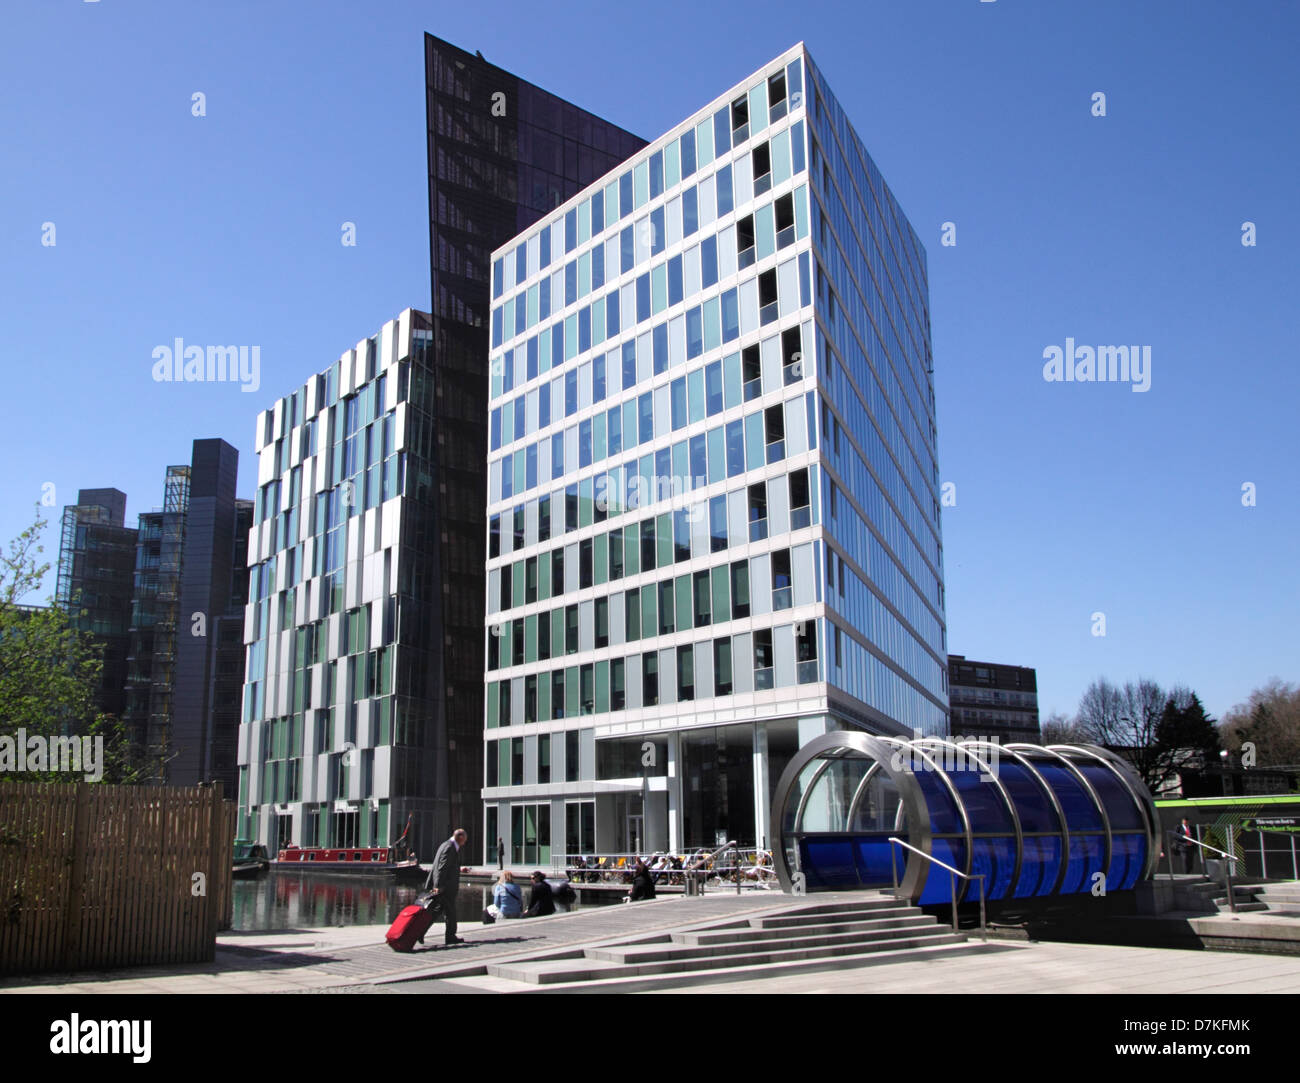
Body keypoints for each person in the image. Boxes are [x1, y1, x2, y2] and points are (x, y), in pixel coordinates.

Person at [427, 828, 470, 945]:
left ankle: (420, 932)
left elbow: (446, 865)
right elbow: (442, 867)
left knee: (438, 910)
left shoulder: (445, 845)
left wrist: (459, 869)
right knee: (450, 911)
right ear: (460, 838)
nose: (465, 842)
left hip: (443, 885)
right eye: (465, 839)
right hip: (445, 887)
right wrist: (438, 886)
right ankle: (450, 936)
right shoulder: (450, 847)